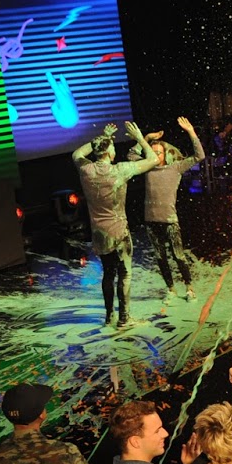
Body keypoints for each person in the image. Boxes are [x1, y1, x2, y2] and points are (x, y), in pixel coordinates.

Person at [72, 121, 163, 328]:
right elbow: (153, 159)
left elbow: (77, 154)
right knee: (125, 273)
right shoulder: (120, 170)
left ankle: (109, 317)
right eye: (112, 146)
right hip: (119, 232)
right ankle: (124, 319)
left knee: (108, 273)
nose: (114, 149)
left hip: (99, 233)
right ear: (110, 154)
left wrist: (103, 137)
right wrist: (141, 138)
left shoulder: (86, 170)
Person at [134, 116, 205, 303]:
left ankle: (190, 289)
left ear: (165, 154)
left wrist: (191, 132)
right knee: (160, 257)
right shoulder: (147, 168)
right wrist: (147, 138)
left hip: (170, 220)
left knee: (178, 255)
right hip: (151, 220)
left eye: (159, 152)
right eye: (153, 152)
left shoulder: (175, 168)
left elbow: (199, 156)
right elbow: (131, 156)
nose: (156, 155)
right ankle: (171, 290)